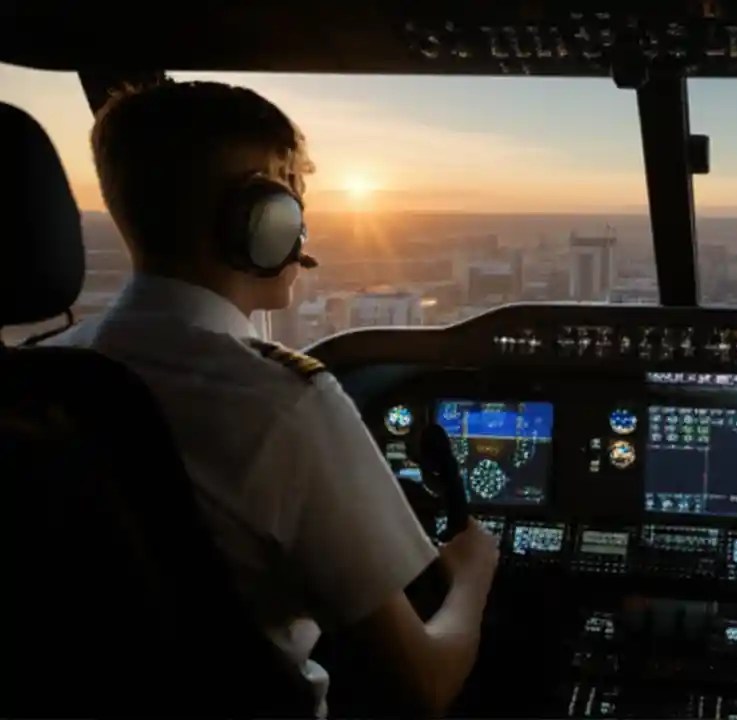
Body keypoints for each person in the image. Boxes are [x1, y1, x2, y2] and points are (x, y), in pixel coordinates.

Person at [46, 80, 498, 717]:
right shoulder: (281, 404)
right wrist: (473, 570)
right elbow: (422, 687)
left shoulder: (39, 378)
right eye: (291, 195)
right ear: (262, 219)